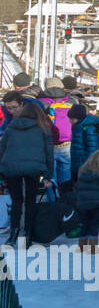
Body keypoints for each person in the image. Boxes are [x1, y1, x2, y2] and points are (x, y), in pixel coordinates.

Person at [0, 101, 54, 243]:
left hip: (11, 167)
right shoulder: (43, 128)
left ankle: (13, 233)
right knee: (31, 201)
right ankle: (28, 234)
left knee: (16, 201)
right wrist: (49, 174)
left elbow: (2, 148)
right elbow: (49, 153)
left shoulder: (11, 127)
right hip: (34, 168)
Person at [71, 149, 99, 251]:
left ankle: (81, 246)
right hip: (97, 204)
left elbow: (77, 187)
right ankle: (93, 248)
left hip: (82, 204)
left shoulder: (82, 171)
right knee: (94, 225)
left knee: (85, 224)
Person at [37, 79, 73, 190]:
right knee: (66, 173)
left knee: (50, 175)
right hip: (67, 144)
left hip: (48, 144)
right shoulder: (70, 101)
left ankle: (52, 198)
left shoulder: (40, 103)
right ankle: (65, 197)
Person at [67, 102, 99, 179]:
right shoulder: (77, 126)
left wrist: (87, 167)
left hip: (84, 165)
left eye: (72, 119)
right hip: (77, 162)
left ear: (79, 118)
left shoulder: (88, 128)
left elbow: (92, 149)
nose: (69, 121)